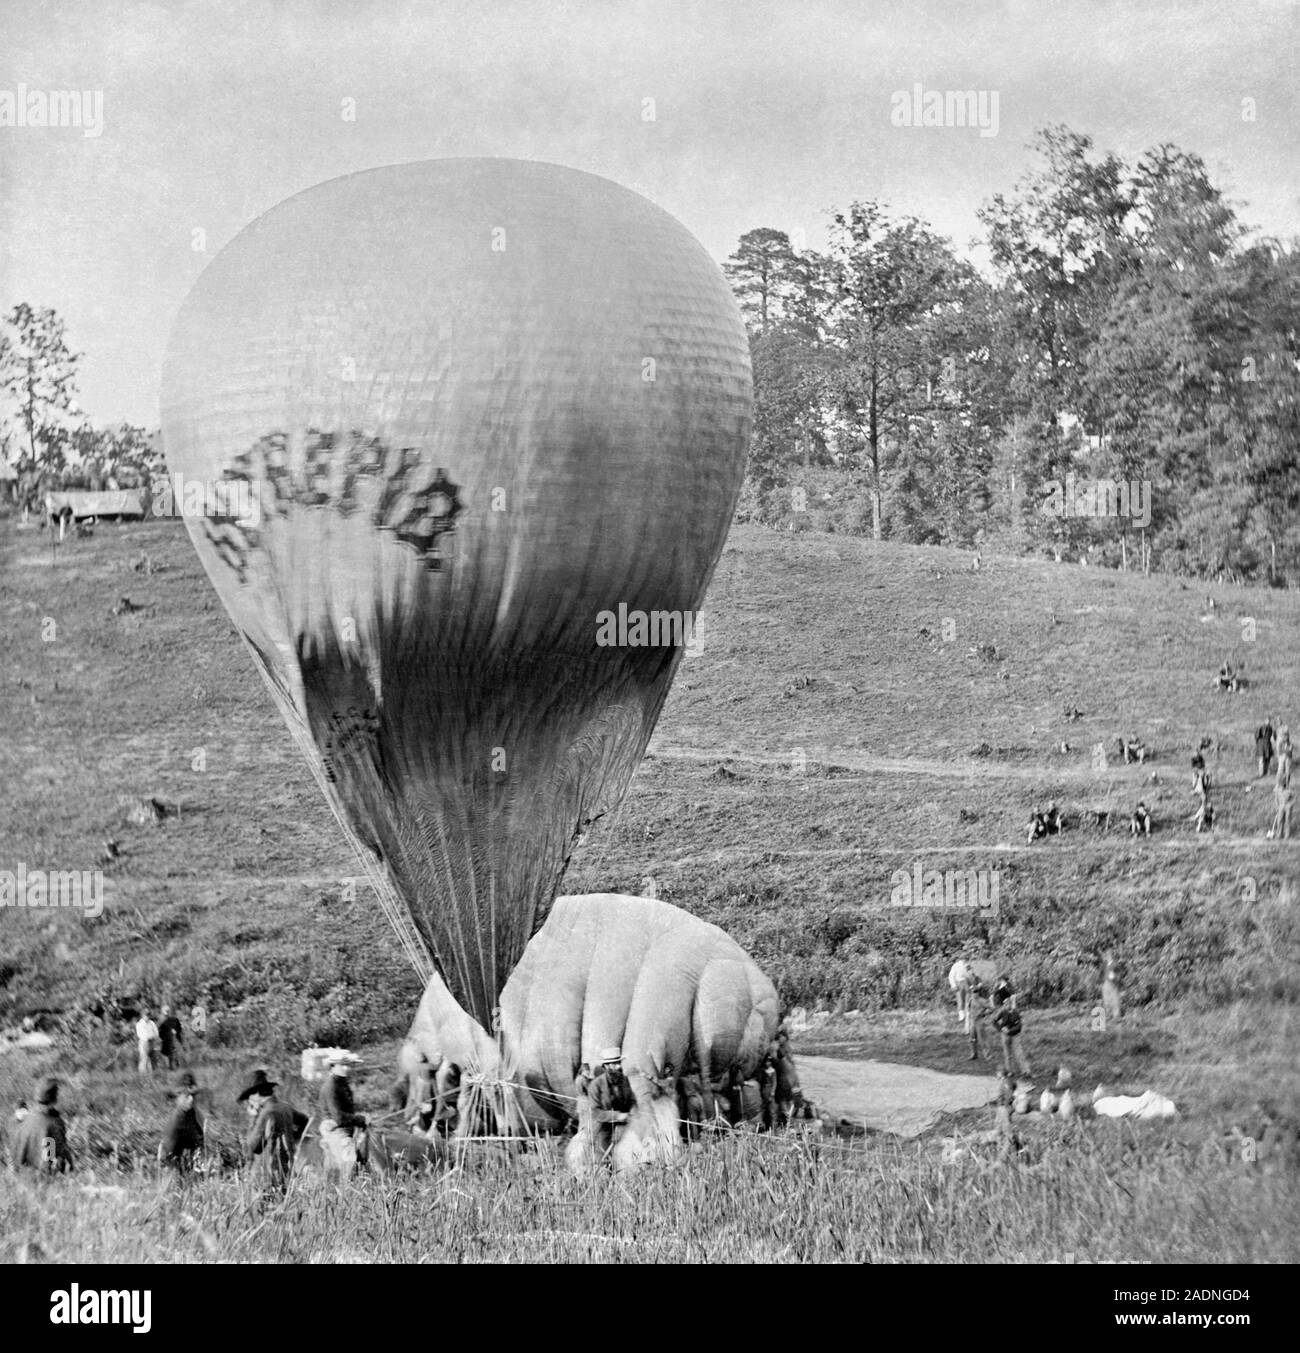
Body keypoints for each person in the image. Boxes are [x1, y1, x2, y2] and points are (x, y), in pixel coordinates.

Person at [241, 1073, 299, 1190]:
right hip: (286, 1169)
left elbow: (253, 1146)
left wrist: (253, 1118)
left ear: (256, 1094)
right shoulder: (285, 1107)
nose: (249, 1100)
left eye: (250, 1095)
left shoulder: (266, 1113)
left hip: (266, 1174)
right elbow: (304, 1122)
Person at [12, 1078, 73, 1174]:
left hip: (20, 1178)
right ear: (55, 1098)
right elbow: (61, 1160)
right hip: (46, 1180)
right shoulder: (55, 1123)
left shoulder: (25, 1120)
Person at [587, 1047, 636, 1156]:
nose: (618, 1066)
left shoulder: (624, 1080)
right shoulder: (596, 1085)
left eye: (619, 1063)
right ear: (606, 1066)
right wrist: (617, 1116)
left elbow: (632, 1100)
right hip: (604, 1127)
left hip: (625, 1124)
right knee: (605, 1155)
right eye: (614, 1064)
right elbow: (595, 1112)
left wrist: (633, 1111)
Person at [160, 1071, 205, 1175]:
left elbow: (201, 1141)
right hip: (174, 1158)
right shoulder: (174, 1120)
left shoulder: (196, 1115)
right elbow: (168, 1145)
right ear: (177, 1098)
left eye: (192, 1096)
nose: (190, 1099)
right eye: (186, 1096)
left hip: (192, 1157)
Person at [991, 985, 1031, 1078]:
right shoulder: (1002, 1012)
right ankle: (1010, 1071)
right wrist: (1001, 1029)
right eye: (1006, 1004)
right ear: (1004, 1004)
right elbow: (993, 1021)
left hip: (1014, 1035)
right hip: (1004, 1035)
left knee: (1019, 1053)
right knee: (1007, 1054)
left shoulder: (1015, 1012)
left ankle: (1025, 1071)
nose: (1007, 1005)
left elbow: (1019, 1026)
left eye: (1009, 1003)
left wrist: (1010, 1030)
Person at [157, 1005, 184, 1070]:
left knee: (176, 1053)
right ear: (162, 1011)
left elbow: (179, 1028)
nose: (167, 1012)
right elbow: (159, 1031)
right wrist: (162, 1038)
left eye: (168, 1011)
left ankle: (177, 1066)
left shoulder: (174, 1019)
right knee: (168, 1054)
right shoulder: (160, 1021)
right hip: (166, 1040)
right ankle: (170, 1067)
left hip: (175, 1039)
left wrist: (176, 1031)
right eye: (166, 1011)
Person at [135, 1008, 160, 1077]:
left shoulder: (151, 1023)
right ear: (143, 1015)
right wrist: (149, 1037)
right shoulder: (139, 1024)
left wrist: (153, 1037)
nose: (147, 1016)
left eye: (148, 1015)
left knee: (153, 1058)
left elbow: (156, 1032)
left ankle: (153, 1074)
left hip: (152, 1042)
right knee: (144, 1058)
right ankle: (142, 1074)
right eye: (146, 1015)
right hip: (144, 1042)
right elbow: (141, 1034)